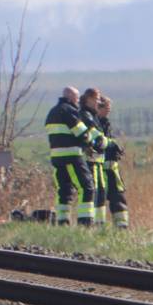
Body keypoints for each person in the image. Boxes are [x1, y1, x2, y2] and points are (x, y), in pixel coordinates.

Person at [44, 86, 96, 225]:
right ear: (71, 97)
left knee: (64, 190)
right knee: (86, 187)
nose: (78, 101)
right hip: (72, 156)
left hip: (56, 158)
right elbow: (82, 133)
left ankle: (62, 222)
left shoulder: (51, 112)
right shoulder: (69, 111)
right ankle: (85, 222)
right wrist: (92, 141)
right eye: (77, 98)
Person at [97, 96, 130, 228]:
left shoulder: (105, 123)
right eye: (106, 109)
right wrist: (112, 145)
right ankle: (99, 227)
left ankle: (122, 227)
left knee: (118, 198)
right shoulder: (93, 122)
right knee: (99, 199)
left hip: (112, 169)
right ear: (98, 107)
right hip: (101, 169)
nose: (108, 112)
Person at [79, 88, 110, 225]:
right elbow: (95, 137)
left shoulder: (93, 115)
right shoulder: (85, 115)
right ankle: (90, 223)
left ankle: (100, 224)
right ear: (90, 99)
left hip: (97, 161)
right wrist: (108, 143)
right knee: (93, 191)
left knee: (100, 192)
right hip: (89, 160)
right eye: (97, 99)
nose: (98, 102)